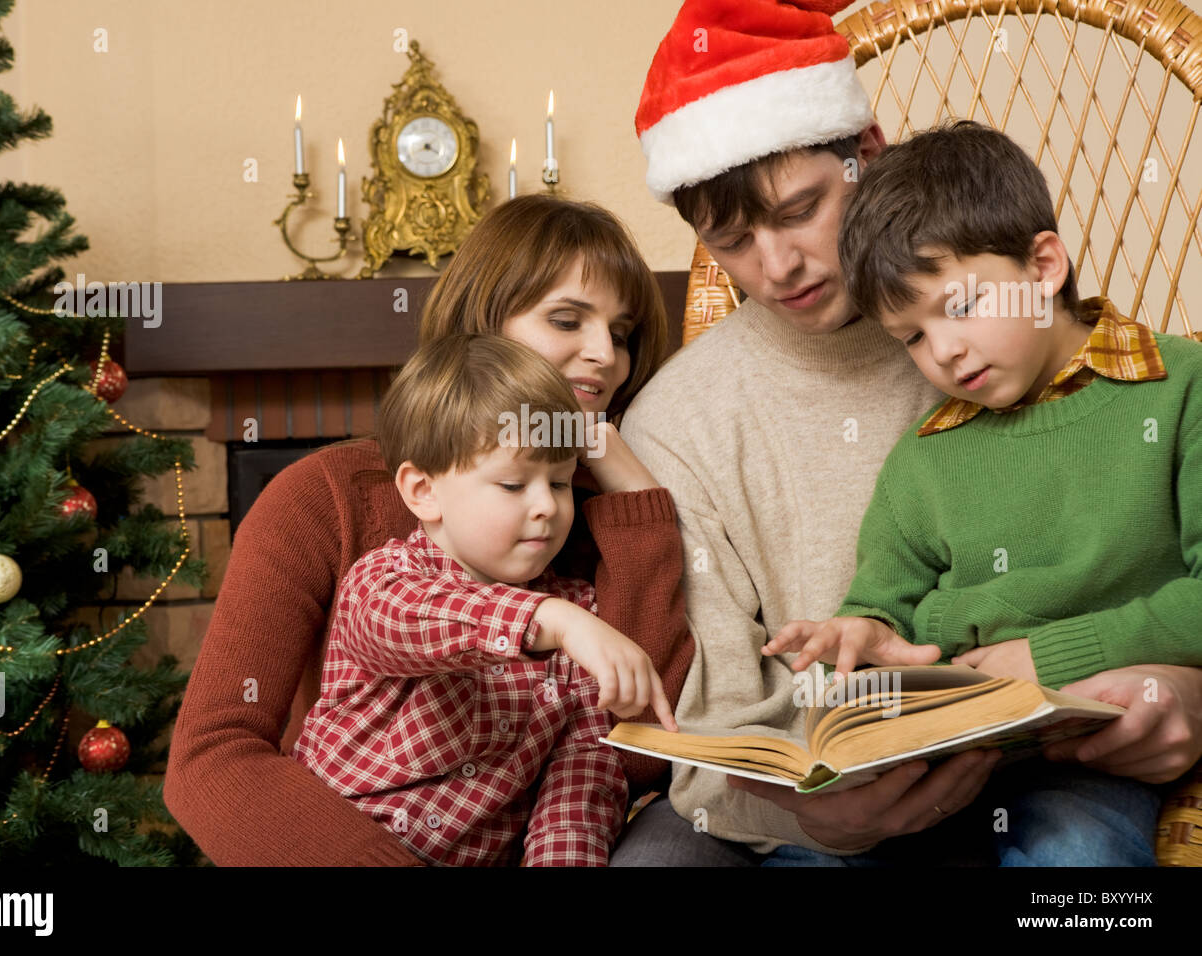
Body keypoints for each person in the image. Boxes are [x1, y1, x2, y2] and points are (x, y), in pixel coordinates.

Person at [612, 0, 1202, 866]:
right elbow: (716, 733)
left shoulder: (1037, 341)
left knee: (1078, 859)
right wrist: (817, 810)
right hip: (830, 801)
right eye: (732, 241)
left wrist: (1182, 687)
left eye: (800, 209)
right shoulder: (679, 425)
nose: (778, 268)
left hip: (1058, 767)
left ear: (868, 158)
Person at [164, 196, 695, 866]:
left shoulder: (581, 517)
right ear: (484, 322)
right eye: (567, 319)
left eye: (621, 334)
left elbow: (632, 750)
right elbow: (215, 756)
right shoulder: (323, 497)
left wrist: (638, 504)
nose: (604, 356)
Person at [762, 120, 1202, 865]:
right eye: (911, 337)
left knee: (1078, 857)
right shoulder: (926, 456)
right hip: (935, 763)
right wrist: (861, 631)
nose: (943, 352)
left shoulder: (1178, 389)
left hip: (1080, 760)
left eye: (958, 307)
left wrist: (1050, 658)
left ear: (1043, 266)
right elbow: (886, 599)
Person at [292, 334, 677, 866]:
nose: (546, 506)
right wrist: (548, 619)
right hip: (338, 845)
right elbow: (403, 623)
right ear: (424, 491)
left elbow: (581, 778)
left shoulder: (581, 615)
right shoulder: (385, 577)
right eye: (514, 485)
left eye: (561, 483)